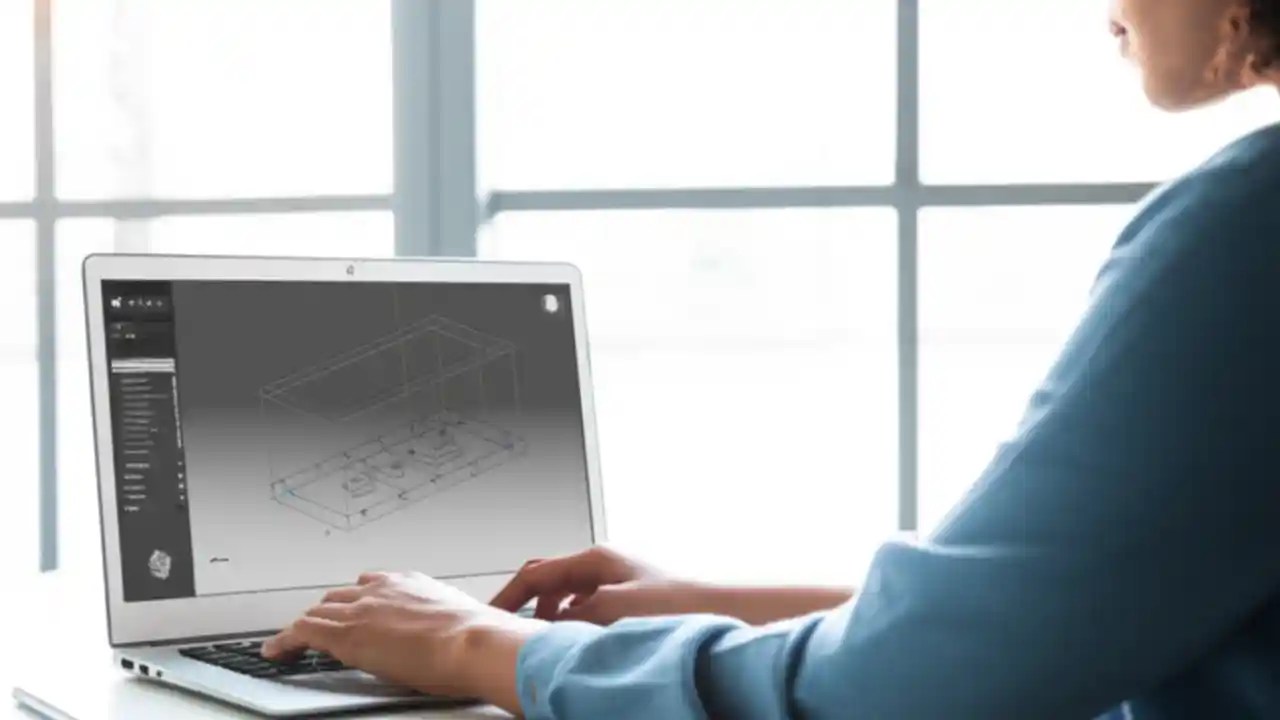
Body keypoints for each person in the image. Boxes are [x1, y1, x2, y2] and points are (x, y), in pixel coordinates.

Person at [261, 1, 1280, 717]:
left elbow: (907, 696)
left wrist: (478, 645)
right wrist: (713, 602)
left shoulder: (1248, 228)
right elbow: (1084, 622)